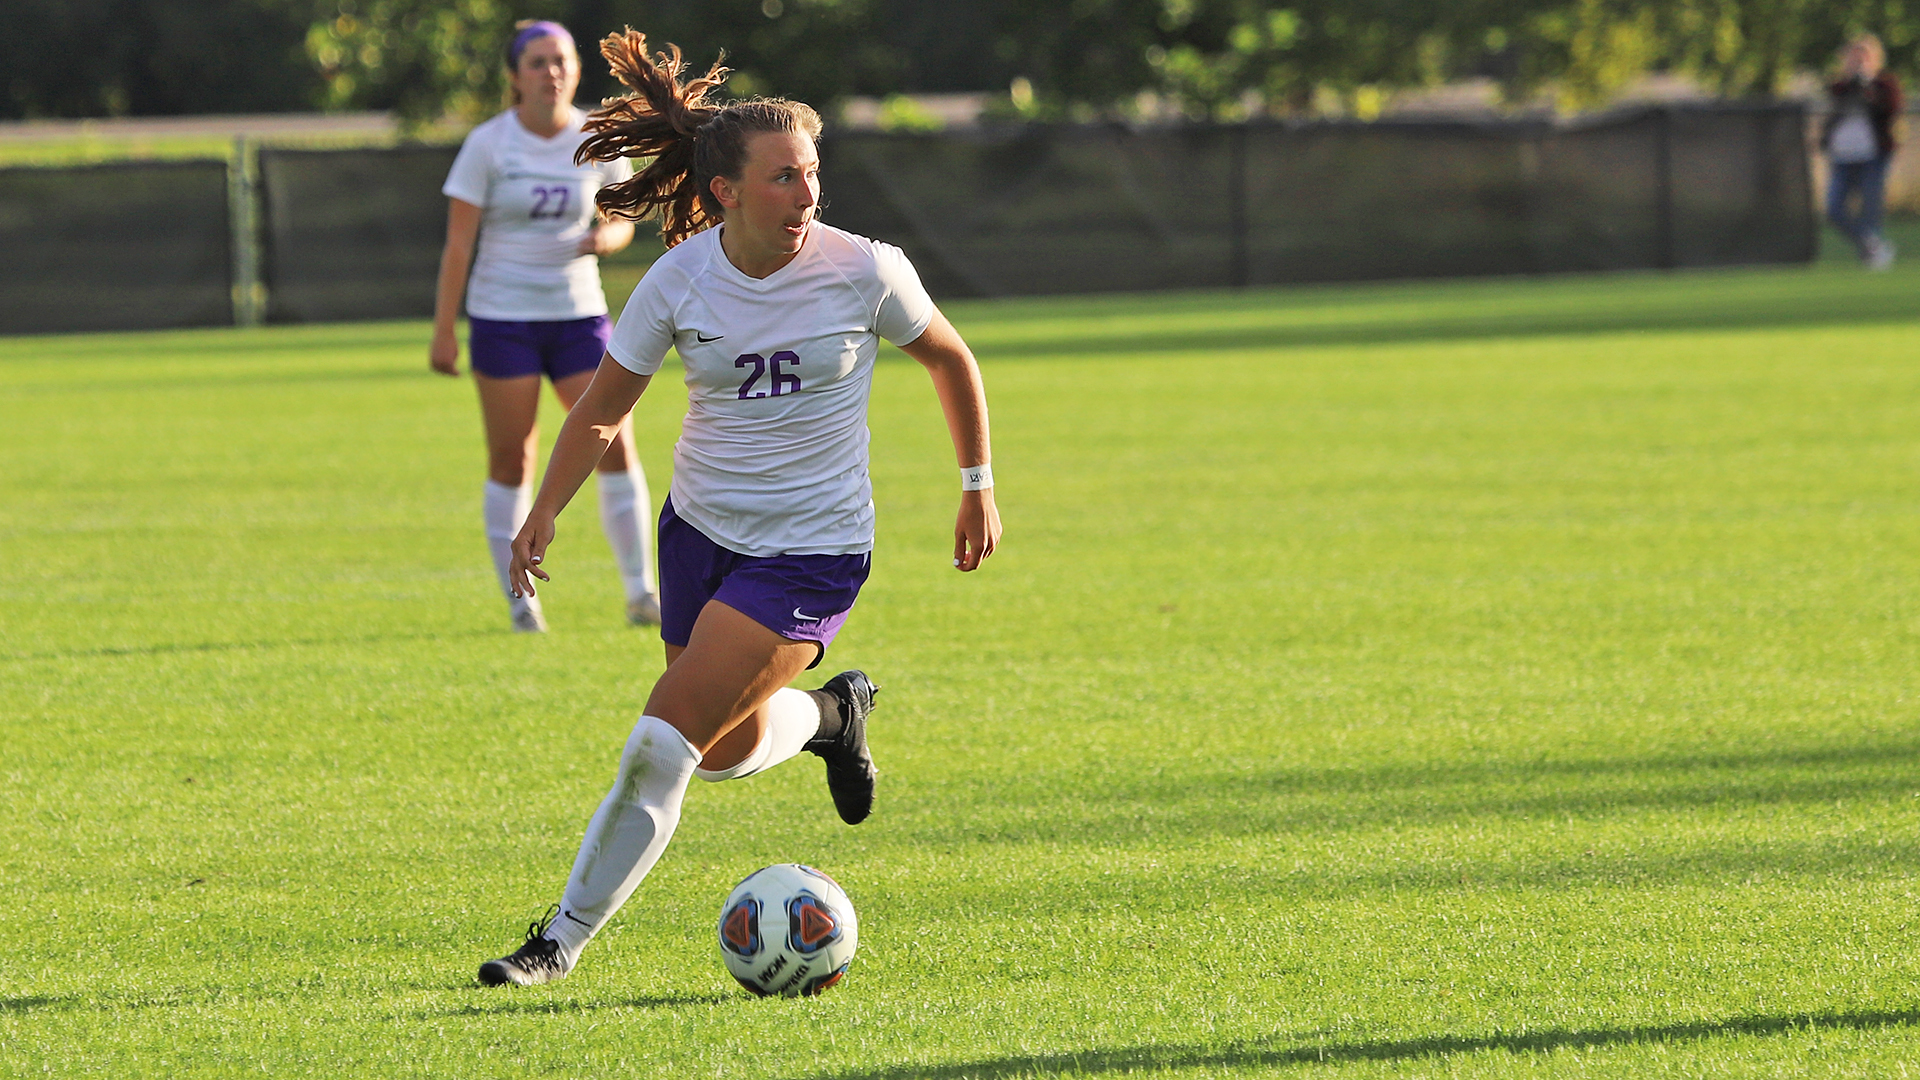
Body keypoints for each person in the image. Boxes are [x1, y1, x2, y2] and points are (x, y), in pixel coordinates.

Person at [475, 29, 1001, 987]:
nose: (805, 196)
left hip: (813, 551)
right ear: (724, 191)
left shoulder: (864, 269)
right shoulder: (679, 281)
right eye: (782, 179)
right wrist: (543, 513)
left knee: (658, 744)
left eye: (811, 175)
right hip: (700, 535)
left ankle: (557, 944)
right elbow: (600, 413)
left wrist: (976, 486)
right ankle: (835, 719)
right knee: (719, 750)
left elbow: (951, 360)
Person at [430, 19, 662, 633]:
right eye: (536, 62)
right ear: (515, 76)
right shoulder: (488, 143)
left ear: (576, 70)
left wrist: (606, 237)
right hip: (503, 318)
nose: (550, 72)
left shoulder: (596, 136)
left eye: (560, 59)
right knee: (513, 456)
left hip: (578, 315)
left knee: (613, 442)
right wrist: (444, 329)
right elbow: (459, 245)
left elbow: (622, 218)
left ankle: (641, 592)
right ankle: (520, 600)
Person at [1822, 34, 1904, 270]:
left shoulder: (1884, 84)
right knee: (1834, 209)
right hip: (1843, 156)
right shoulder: (1839, 86)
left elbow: (1891, 111)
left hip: (1873, 155)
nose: (1857, 62)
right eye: (1853, 57)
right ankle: (1873, 245)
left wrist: (1868, 88)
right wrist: (1850, 84)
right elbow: (1832, 110)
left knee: (1870, 206)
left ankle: (1872, 256)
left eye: (1863, 57)